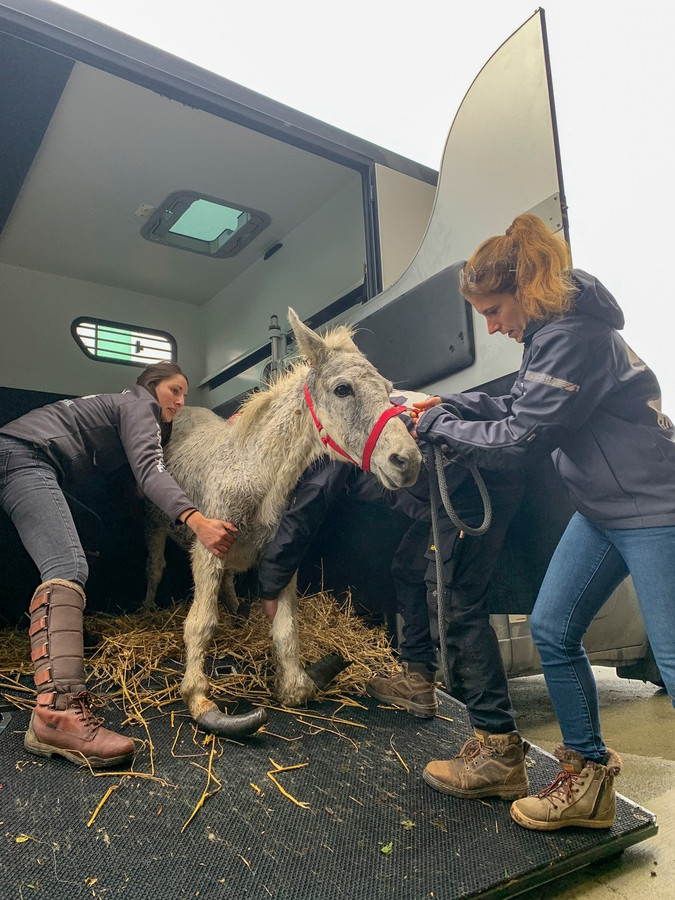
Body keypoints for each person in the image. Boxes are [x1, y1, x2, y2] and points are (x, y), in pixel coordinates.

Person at [413, 212, 675, 830]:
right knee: (554, 629)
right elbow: (515, 404)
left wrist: (438, 426)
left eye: (493, 310)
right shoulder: (548, 335)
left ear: (522, 292)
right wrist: (446, 404)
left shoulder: (575, 333)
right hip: (602, 510)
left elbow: (521, 438)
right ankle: (586, 782)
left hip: (653, 508)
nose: (492, 325)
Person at [257, 433, 532, 802]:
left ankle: (499, 749)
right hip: (444, 497)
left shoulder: (335, 441)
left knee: (457, 606)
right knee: (407, 566)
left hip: (467, 498)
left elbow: (308, 507)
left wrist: (270, 583)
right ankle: (417, 680)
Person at [0, 361, 238, 768]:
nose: (181, 401)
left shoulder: (128, 411)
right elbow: (149, 472)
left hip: (26, 455)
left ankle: (67, 639)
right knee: (67, 564)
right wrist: (197, 520)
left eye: (185, 394)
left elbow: (137, 477)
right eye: (174, 390)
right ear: (149, 386)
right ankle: (56, 714)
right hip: (24, 455)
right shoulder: (139, 407)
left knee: (88, 531)